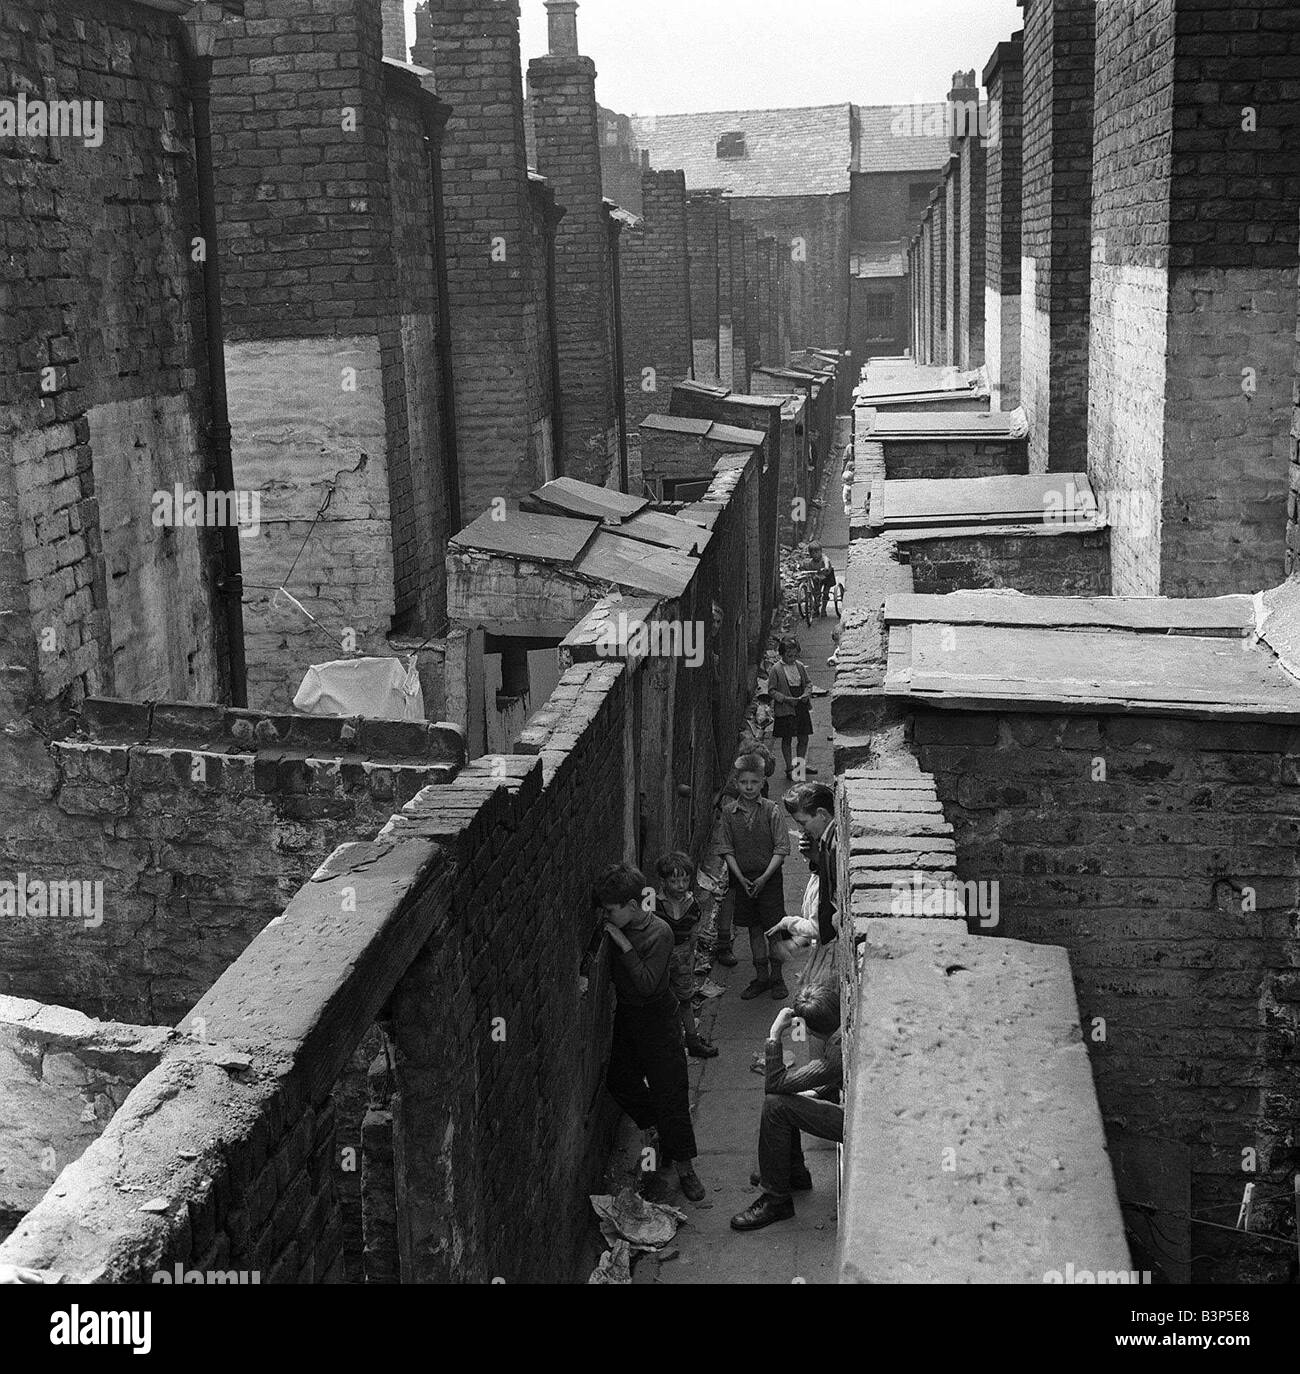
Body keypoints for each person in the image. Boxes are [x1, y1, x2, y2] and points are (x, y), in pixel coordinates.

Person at [595, 863, 706, 1203]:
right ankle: (655, 1126)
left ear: (631, 905)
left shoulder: (660, 932)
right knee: (619, 1079)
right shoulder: (620, 924)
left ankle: (685, 1168)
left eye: (611, 910)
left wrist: (621, 942)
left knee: (671, 1093)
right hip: (630, 1020)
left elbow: (646, 983)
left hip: (658, 1021)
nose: (607, 917)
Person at [730, 981, 844, 1232]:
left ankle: (776, 1199)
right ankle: (793, 1172)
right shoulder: (845, 1026)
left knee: (775, 1105)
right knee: (786, 1100)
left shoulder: (835, 1054)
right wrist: (810, 1092)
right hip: (855, 1108)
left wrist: (774, 1034)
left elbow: (774, 1083)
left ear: (810, 1029)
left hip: (855, 1124)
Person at [717, 754, 791, 1001]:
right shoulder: (729, 813)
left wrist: (763, 878)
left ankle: (777, 977)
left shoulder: (772, 811)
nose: (749, 788)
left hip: (768, 879)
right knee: (754, 930)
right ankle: (761, 978)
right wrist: (740, 878)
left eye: (754, 783)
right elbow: (726, 849)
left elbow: (781, 849)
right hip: (743, 880)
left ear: (762, 783)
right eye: (744, 783)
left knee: (774, 930)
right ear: (737, 783)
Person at [655, 852, 717, 1059]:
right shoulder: (654, 904)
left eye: (684, 880)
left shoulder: (693, 906)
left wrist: (690, 959)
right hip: (659, 959)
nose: (680, 886)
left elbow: (693, 937)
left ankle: (692, 1040)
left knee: (685, 999)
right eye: (674, 881)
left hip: (682, 959)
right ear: (663, 882)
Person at [768, 638, 817, 780]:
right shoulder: (776, 669)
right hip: (785, 708)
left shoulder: (800, 666)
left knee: (803, 737)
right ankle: (789, 768)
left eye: (795, 655)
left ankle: (800, 766)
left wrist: (806, 694)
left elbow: (808, 683)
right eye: (789, 656)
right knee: (787, 738)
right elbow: (771, 690)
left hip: (800, 705)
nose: (792, 659)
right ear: (782, 655)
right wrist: (784, 699)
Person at [802, 542, 837, 617]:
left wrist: (826, 567)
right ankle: (816, 609)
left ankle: (823, 609)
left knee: (825, 592)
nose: (815, 555)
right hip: (818, 577)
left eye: (817, 552)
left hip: (827, 576)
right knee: (816, 593)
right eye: (813, 553)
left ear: (821, 552)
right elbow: (809, 569)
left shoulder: (824, 558)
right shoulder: (811, 563)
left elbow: (826, 562)